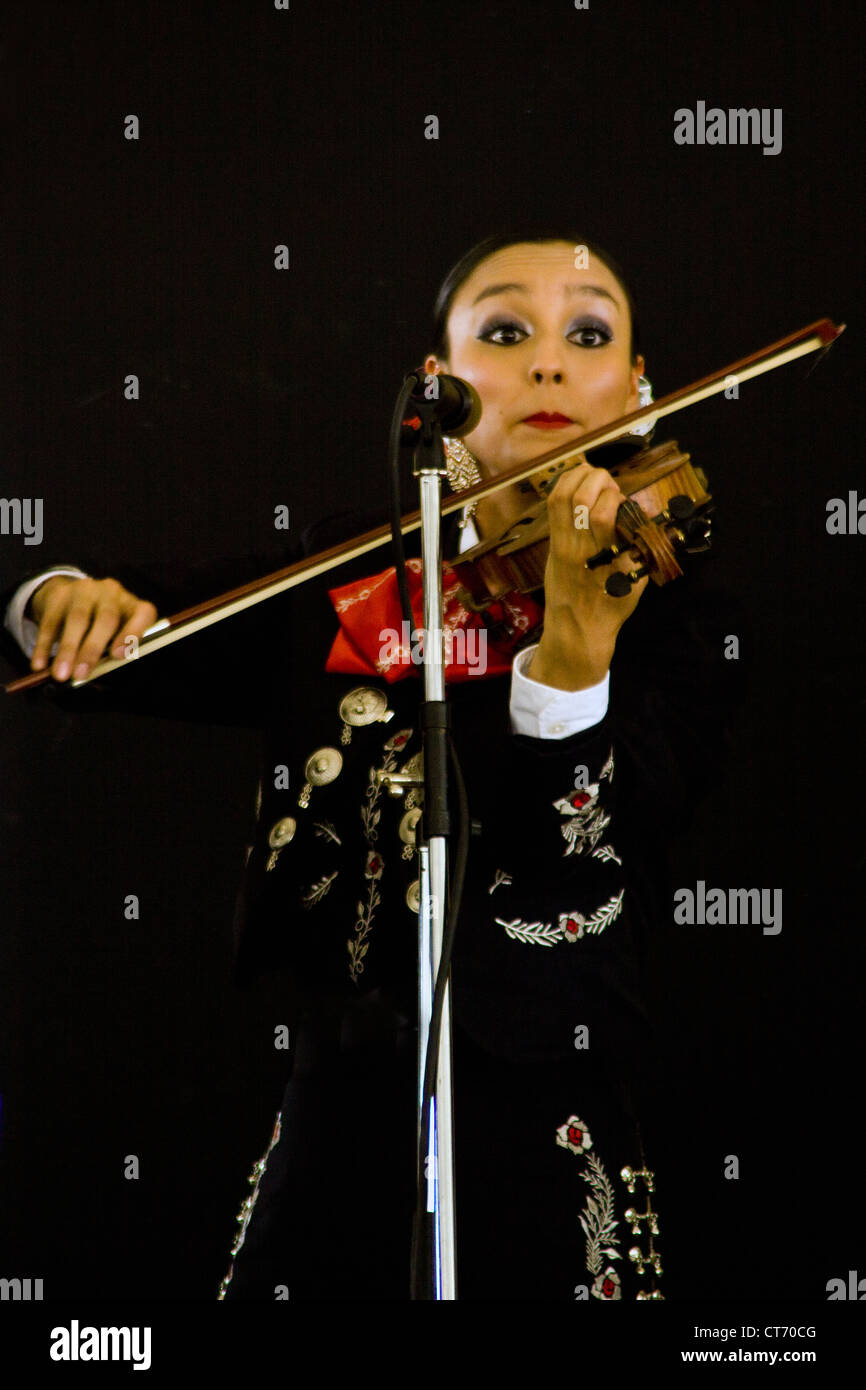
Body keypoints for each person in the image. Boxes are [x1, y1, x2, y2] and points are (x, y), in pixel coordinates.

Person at [3, 234, 743, 1301]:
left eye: (586, 335)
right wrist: (60, 599)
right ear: (437, 387)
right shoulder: (351, 576)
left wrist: (576, 649)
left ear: (638, 392)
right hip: (338, 1107)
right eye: (503, 329)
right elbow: (123, 632)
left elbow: (596, 849)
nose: (544, 361)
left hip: (546, 1113)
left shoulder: (674, 614)